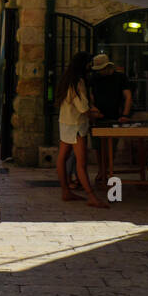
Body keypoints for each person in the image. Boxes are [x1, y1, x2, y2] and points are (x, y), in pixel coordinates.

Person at [55, 51, 107, 209]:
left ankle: (66, 191)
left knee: (62, 158)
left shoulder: (68, 80)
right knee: (81, 162)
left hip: (65, 122)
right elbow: (83, 108)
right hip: (76, 125)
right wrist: (95, 114)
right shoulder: (77, 82)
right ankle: (91, 196)